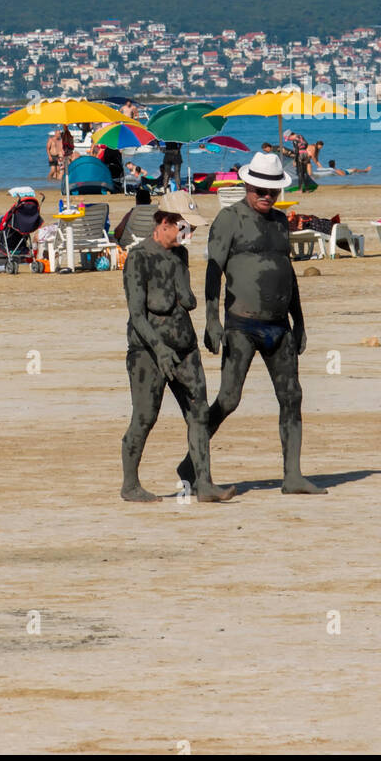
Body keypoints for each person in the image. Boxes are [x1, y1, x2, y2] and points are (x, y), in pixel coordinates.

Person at [177, 152, 326, 497]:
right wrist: (211, 320)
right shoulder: (229, 219)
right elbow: (214, 271)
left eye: (272, 190)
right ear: (248, 184)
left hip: (280, 327)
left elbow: (287, 272)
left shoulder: (279, 221)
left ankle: (292, 476)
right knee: (229, 399)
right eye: (260, 188)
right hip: (241, 325)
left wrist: (299, 321)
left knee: (292, 397)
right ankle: (192, 464)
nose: (266, 195)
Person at [120, 191, 234, 504]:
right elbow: (137, 314)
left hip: (186, 349)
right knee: (145, 417)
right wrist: (159, 349)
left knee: (199, 413)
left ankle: (204, 482)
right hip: (148, 352)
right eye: (187, 227)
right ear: (167, 222)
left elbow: (185, 299)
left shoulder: (180, 255)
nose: (191, 234)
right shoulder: (138, 258)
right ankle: (130, 485)